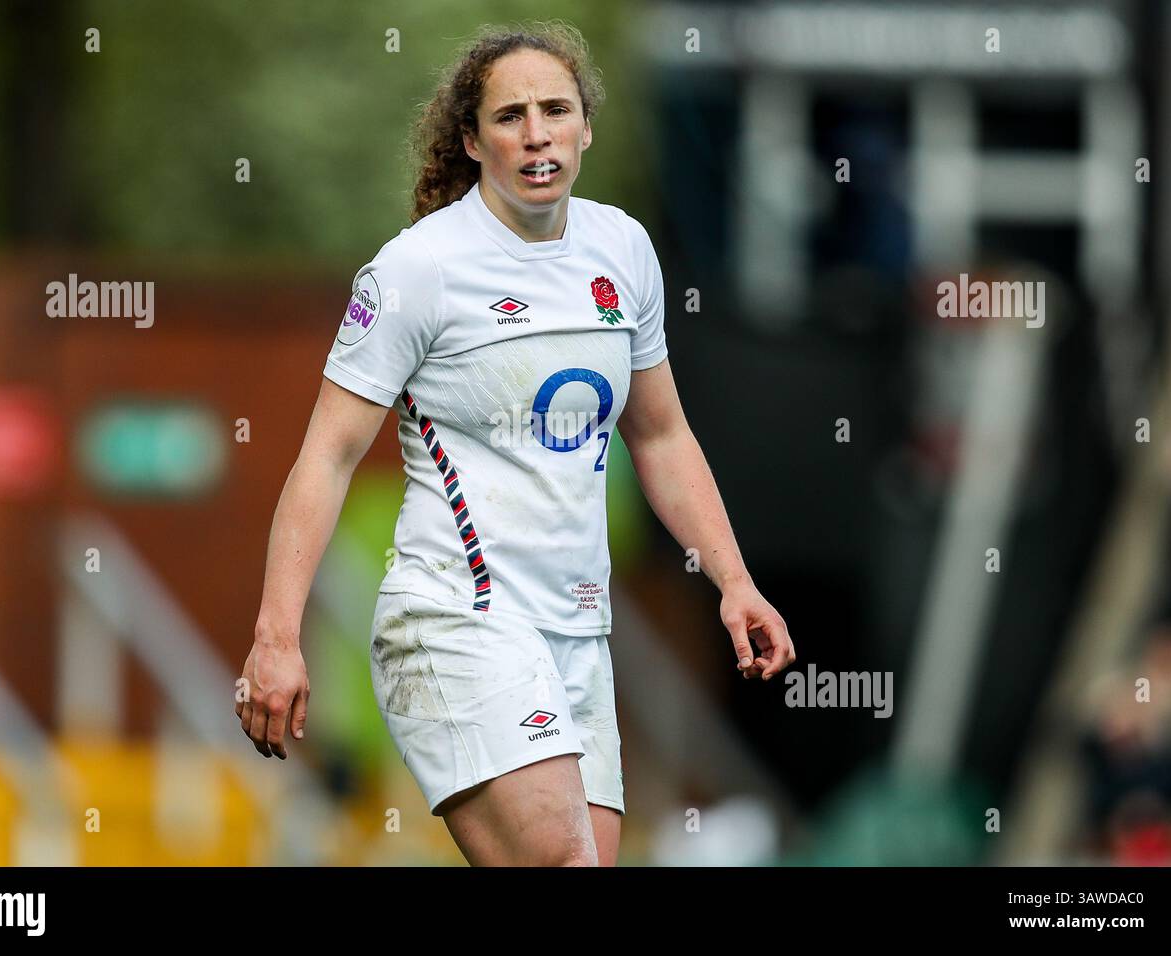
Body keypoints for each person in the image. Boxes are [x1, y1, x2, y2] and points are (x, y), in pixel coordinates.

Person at [235, 20, 796, 867]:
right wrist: (277, 635)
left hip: (577, 632)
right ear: (471, 138)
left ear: (586, 127)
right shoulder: (419, 270)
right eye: (510, 116)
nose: (536, 133)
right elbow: (326, 457)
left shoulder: (624, 250)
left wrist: (734, 580)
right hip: (456, 618)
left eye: (556, 109)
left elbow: (662, 433)